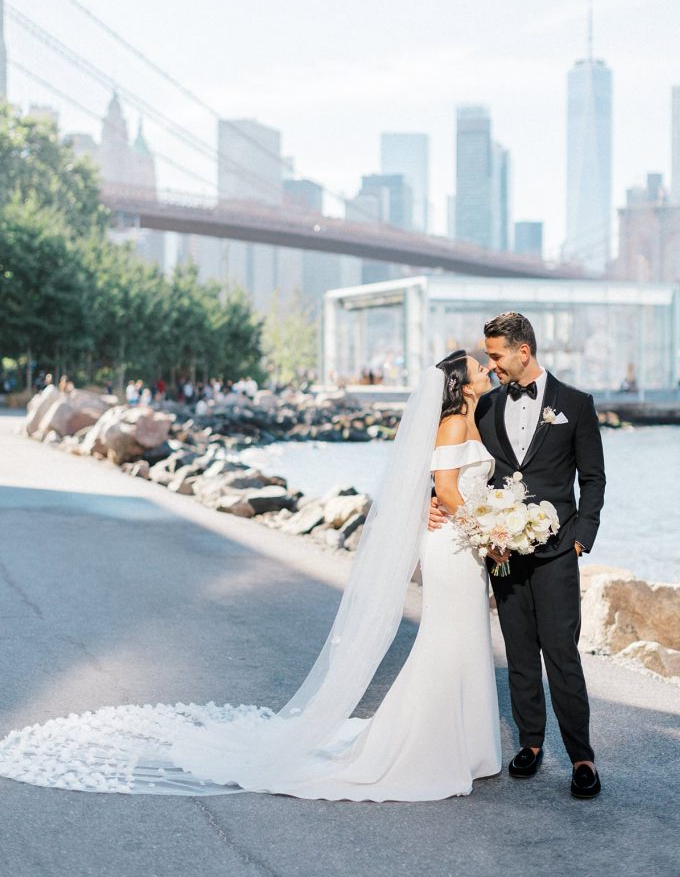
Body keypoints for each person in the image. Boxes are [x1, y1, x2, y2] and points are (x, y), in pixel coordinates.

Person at [0, 353, 502, 800]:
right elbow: (448, 491)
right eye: (479, 367)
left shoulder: (474, 419)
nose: (485, 369)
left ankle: (467, 743)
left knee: (464, 640)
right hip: (456, 546)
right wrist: (491, 528)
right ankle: (432, 744)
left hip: (466, 545)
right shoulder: (454, 425)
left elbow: (453, 491)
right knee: (446, 641)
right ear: (461, 383)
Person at [430, 312, 605, 800]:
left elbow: (593, 478)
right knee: (520, 653)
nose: (492, 364)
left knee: (562, 654)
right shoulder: (482, 408)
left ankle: (582, 757)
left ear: (522, 351)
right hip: (502, 552)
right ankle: (530, 745)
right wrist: (431, 499)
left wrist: (580, 537)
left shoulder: (576, 404)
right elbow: (455, 466)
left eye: (496, 355)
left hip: (556, 552)